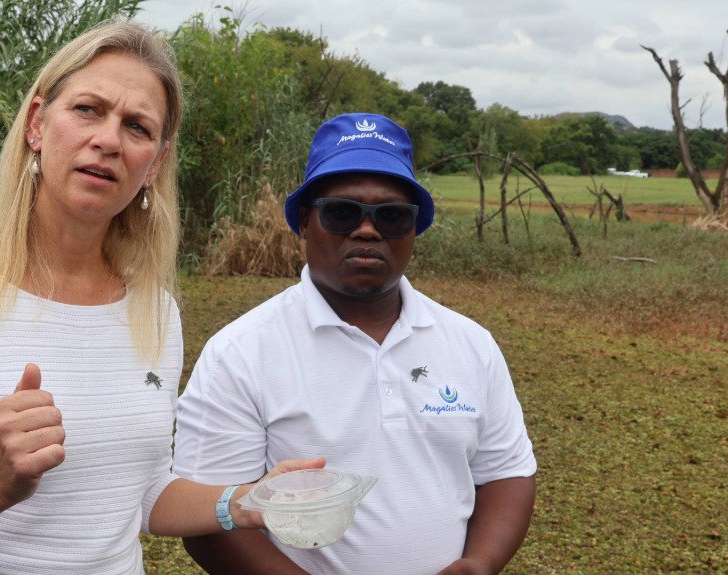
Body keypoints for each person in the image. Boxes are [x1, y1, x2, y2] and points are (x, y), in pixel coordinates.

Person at [0, 21, 320, 575]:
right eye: (88, 109)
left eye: (137, 127)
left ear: (155, 164)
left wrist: (244, 501)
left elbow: (137, 492)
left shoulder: (154, 311)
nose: (109, 140)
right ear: (37, 124)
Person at [173, 112, 537, 575]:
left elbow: (505, 472)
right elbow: (206, 521)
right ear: (305, 221)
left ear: (415, 229)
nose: (367, 230)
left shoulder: (471, 345)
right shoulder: (241, 353)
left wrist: (480, 563)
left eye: (392, 216)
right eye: (342, 212)